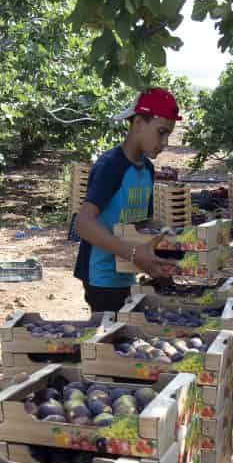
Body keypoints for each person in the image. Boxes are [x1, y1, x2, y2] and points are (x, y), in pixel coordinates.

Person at [70, 88, 180, 314]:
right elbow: (83, 224)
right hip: (101, 277)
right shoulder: (111, 166)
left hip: (127, 273)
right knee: (108, 343)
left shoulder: (147, 170)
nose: (165, 142)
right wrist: (132, 253)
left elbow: (143, 223)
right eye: (161, 132)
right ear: (138, 123)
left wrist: (168, 240)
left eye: (168, 134)